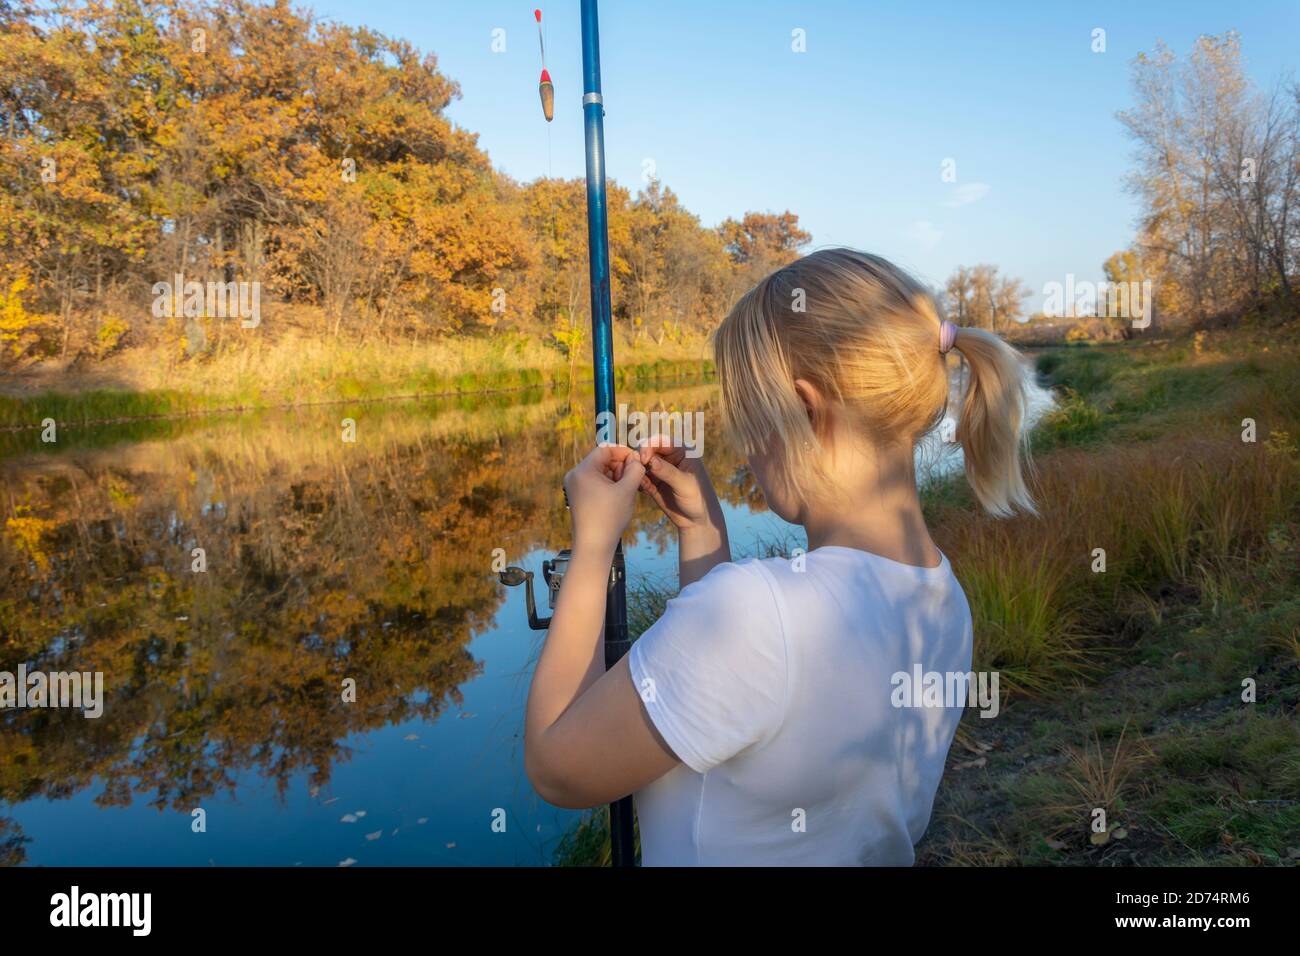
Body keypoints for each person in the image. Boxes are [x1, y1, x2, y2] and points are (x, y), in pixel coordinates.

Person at [524, 248, 1034, 865]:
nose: (746, 453)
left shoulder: (758, 613)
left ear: (807, 411)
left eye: (749, 421)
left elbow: (557, 768)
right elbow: (740, 703)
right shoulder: (943, 599)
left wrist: (594, 547)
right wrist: (702, 528)